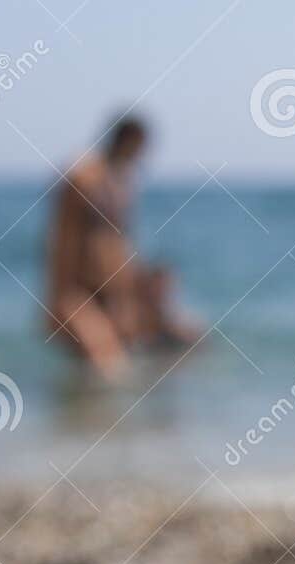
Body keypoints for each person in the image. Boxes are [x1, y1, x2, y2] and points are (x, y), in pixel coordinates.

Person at [45, 114, 200, 375]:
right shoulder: (85, 178)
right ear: (129, 142)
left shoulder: (118, 183)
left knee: (182, 344)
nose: (140, 159)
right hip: (82, 295)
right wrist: (61, 299)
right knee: (110, 371)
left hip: (112, 295)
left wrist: (136, 291)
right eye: (139, 150)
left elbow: (118, 245)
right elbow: (64, 244)